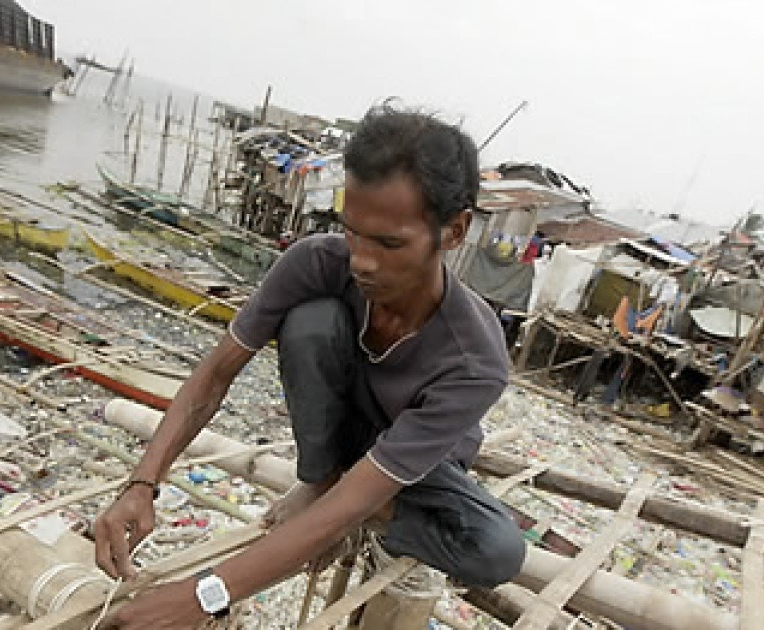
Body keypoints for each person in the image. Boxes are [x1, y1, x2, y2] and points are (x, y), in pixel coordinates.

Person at [93, 105, 526, 628]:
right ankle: (321, 479)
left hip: (413, 465)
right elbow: (214, 375)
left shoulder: (476, 359)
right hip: (340, 437)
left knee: (498, 551)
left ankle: (338, 497)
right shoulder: (317, 262)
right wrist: (142, 483)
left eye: (390, 243)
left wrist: (202, 596)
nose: (362, 260)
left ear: (454, 232)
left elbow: (355, 501)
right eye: (353, 232)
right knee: (310, 321)